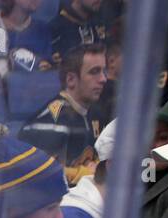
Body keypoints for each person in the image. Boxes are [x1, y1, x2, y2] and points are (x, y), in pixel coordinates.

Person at [19, 43, 106, 184]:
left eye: (103, 71)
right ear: (71, 80)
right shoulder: (53, 119)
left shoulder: (94, 113)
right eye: (94, 72)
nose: (103, 79)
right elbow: (38, 171)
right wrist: (85, 174)